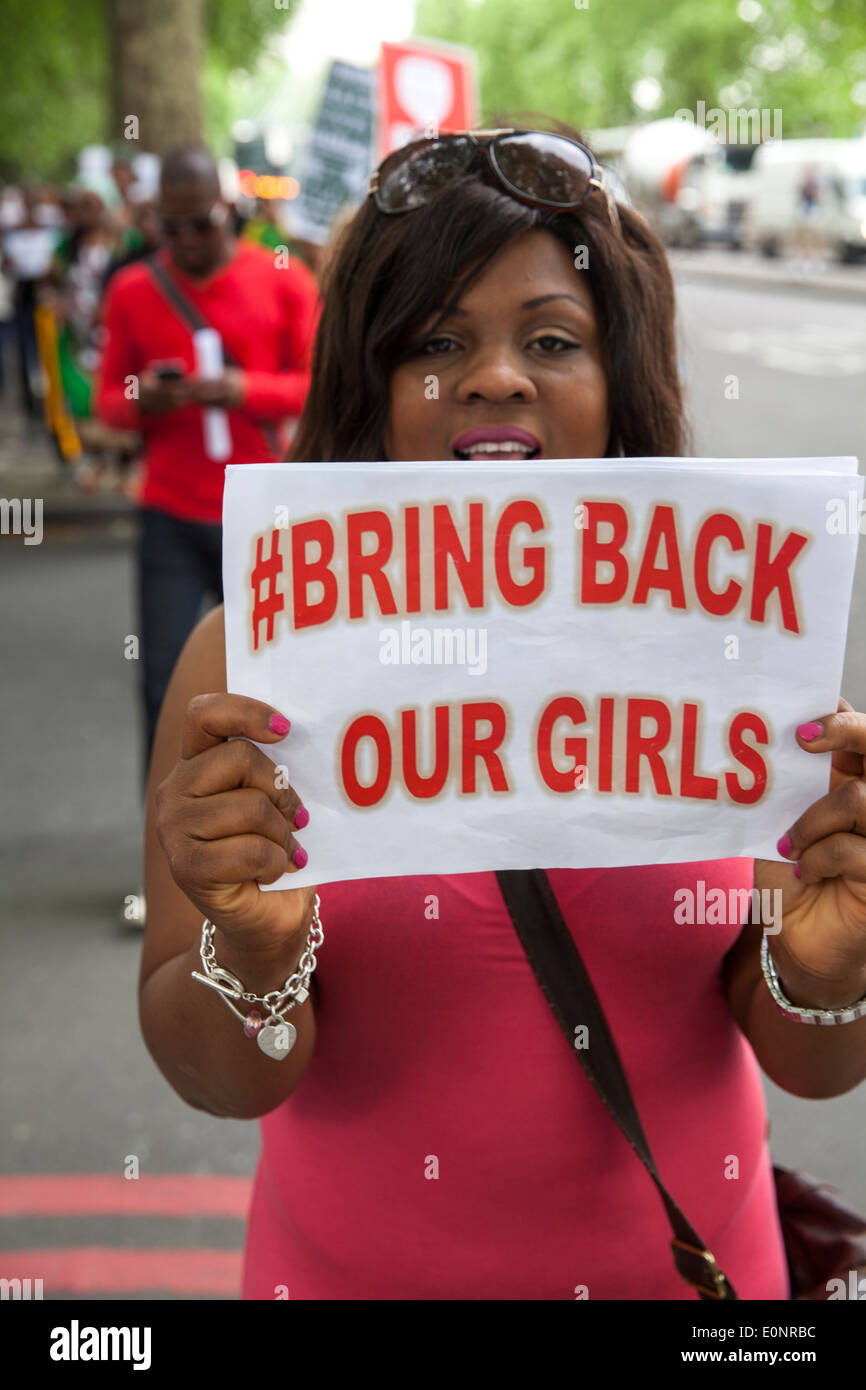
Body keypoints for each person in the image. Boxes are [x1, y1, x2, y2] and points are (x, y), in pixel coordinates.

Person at [139, 124, 866, 1301]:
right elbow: (218, 1078)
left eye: (551, 339)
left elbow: (813, 1063)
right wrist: (251, 956)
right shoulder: (250, 663)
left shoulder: (733, 645)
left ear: (619, 381)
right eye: (434, 339)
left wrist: (827, 968)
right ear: (369, 386)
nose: (493, 377)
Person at [96, 144, 320, 786]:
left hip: (260, 511)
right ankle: (161, 838)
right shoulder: (134, 289)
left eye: (205, 223)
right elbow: (111, 402)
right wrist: (150, 397)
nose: (190, 239)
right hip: (170, 509)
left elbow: (319, 385)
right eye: (173, 226)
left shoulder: (282, 277)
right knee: (163, 681)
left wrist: (244, 390)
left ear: (232, 210)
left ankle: (280, 825)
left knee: (268, 681)